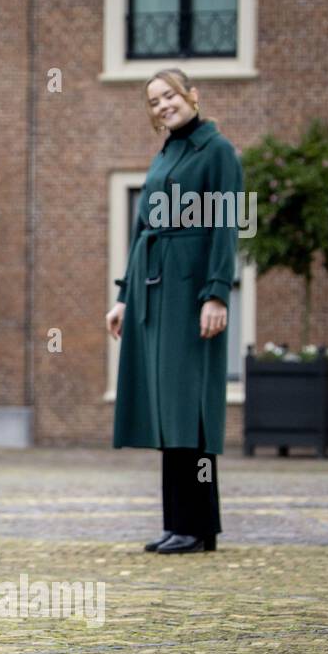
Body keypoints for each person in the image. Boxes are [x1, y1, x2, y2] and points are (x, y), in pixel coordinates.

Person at [107, 68, 243, 554]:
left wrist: (216, 292)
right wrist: (124, 295)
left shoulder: (217, 151)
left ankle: (198, 525)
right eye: (155, 100)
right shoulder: (165, 154)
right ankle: (178, 523)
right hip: (154, 290)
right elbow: (143, 227)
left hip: (190, 292)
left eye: (170, 95)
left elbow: (228, 224)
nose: (163, 105)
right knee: (168, 407)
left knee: (190, 407)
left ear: (193, 96)